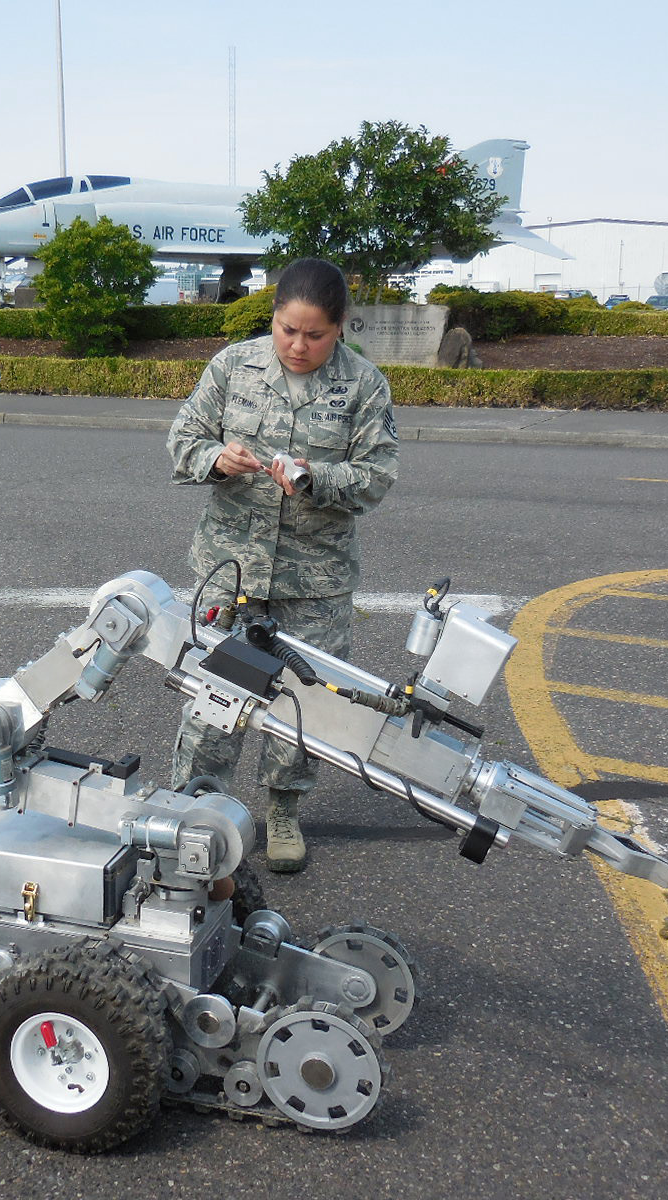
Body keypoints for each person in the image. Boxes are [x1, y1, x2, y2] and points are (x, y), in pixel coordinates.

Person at [167, 258, 398, 872]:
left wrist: (316, 478)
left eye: (314, 334)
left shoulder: (364, 386)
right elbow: (181, 441)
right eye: (286, 329)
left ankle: (285, 809)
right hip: (232, 570)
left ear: (341, 327)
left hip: (313, 581)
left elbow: (376, 480)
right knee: (216, 693)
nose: (297, 345)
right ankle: (194, 807)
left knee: (304, 702)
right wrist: (218, 458)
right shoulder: (232, 367)